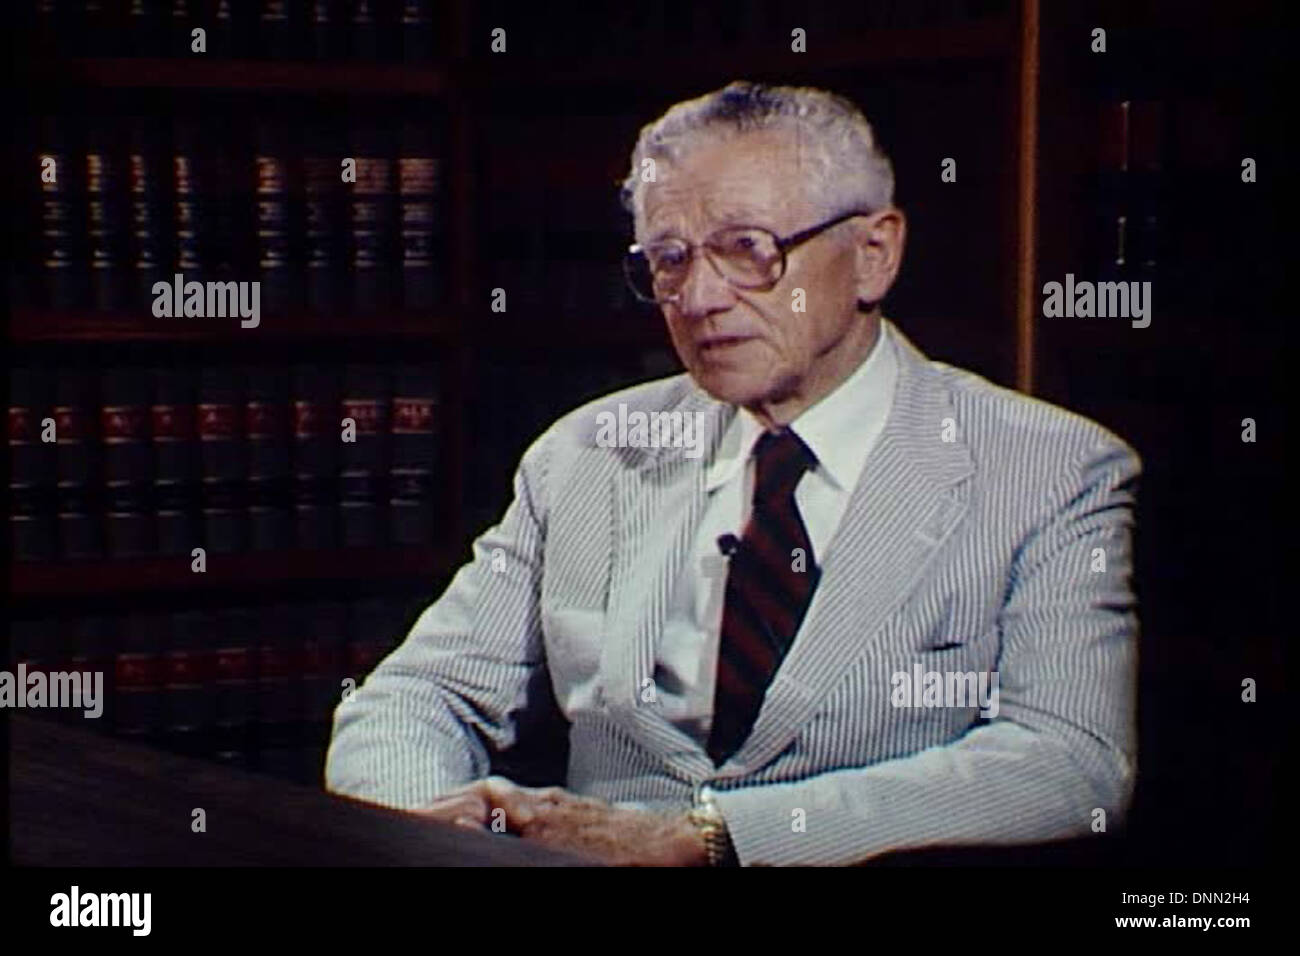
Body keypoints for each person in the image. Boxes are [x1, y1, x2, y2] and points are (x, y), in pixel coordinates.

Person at [325, 81, 1140, 866]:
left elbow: (1068, 761)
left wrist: (716, 839)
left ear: (872, 255)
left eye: (749, 251)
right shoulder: (588, 454)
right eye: (669, 260)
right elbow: (408, 698)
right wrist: (442, 836)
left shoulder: (1049, 469)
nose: (699, 297)